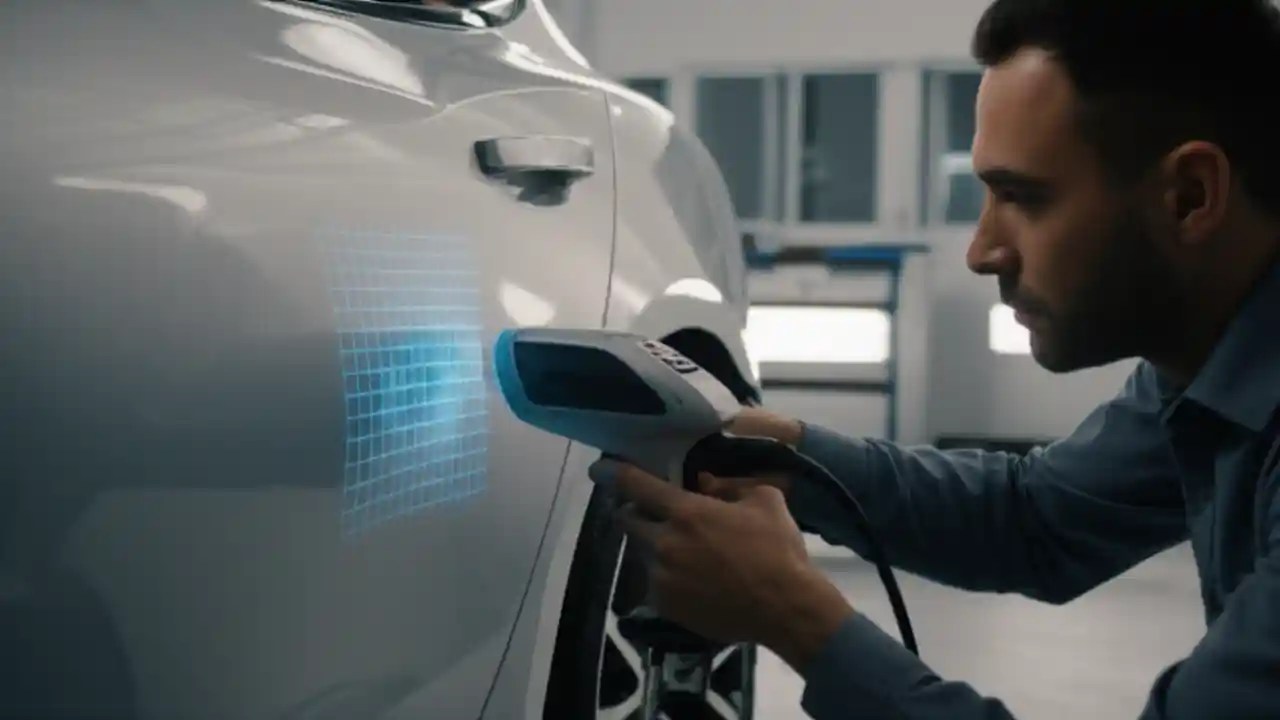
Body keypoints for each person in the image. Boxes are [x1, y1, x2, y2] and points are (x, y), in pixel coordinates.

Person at [587, 0, 1280, 717]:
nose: (982, 252)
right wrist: (789, 456)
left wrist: (797, 621)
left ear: (1190, 196)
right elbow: (1035, 520)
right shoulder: (1204, 362)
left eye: (1022, 197)